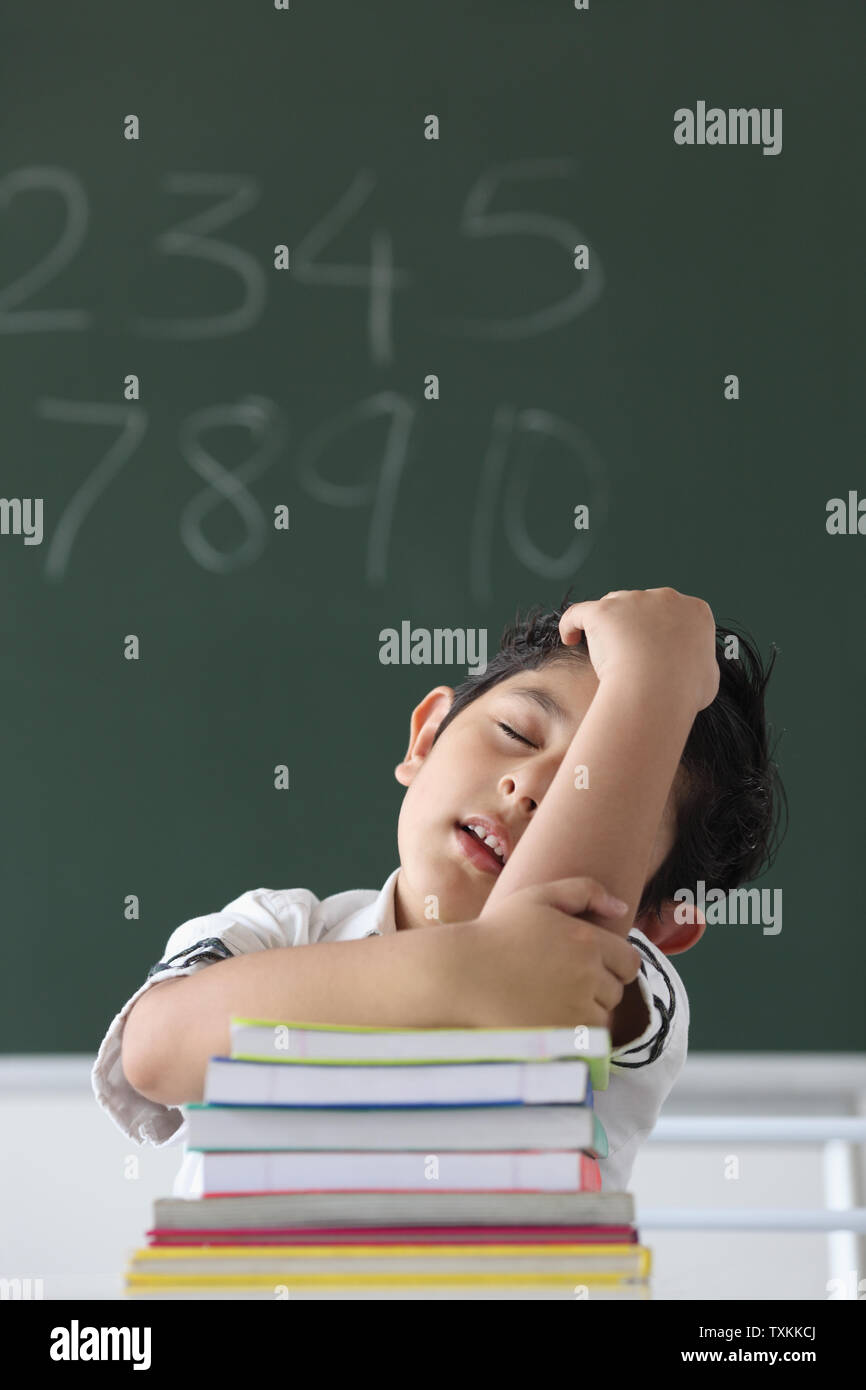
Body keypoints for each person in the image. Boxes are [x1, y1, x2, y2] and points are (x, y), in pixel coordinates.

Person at [92, 586, 783, 1193]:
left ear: (663, 922)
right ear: (425, 735)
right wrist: (462, 969)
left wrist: (653, 681)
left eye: (593, 788)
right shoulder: (275, 928)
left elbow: (545, 969)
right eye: (516, 732)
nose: (534, 786)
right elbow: (153, 1051)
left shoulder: (633, 987)